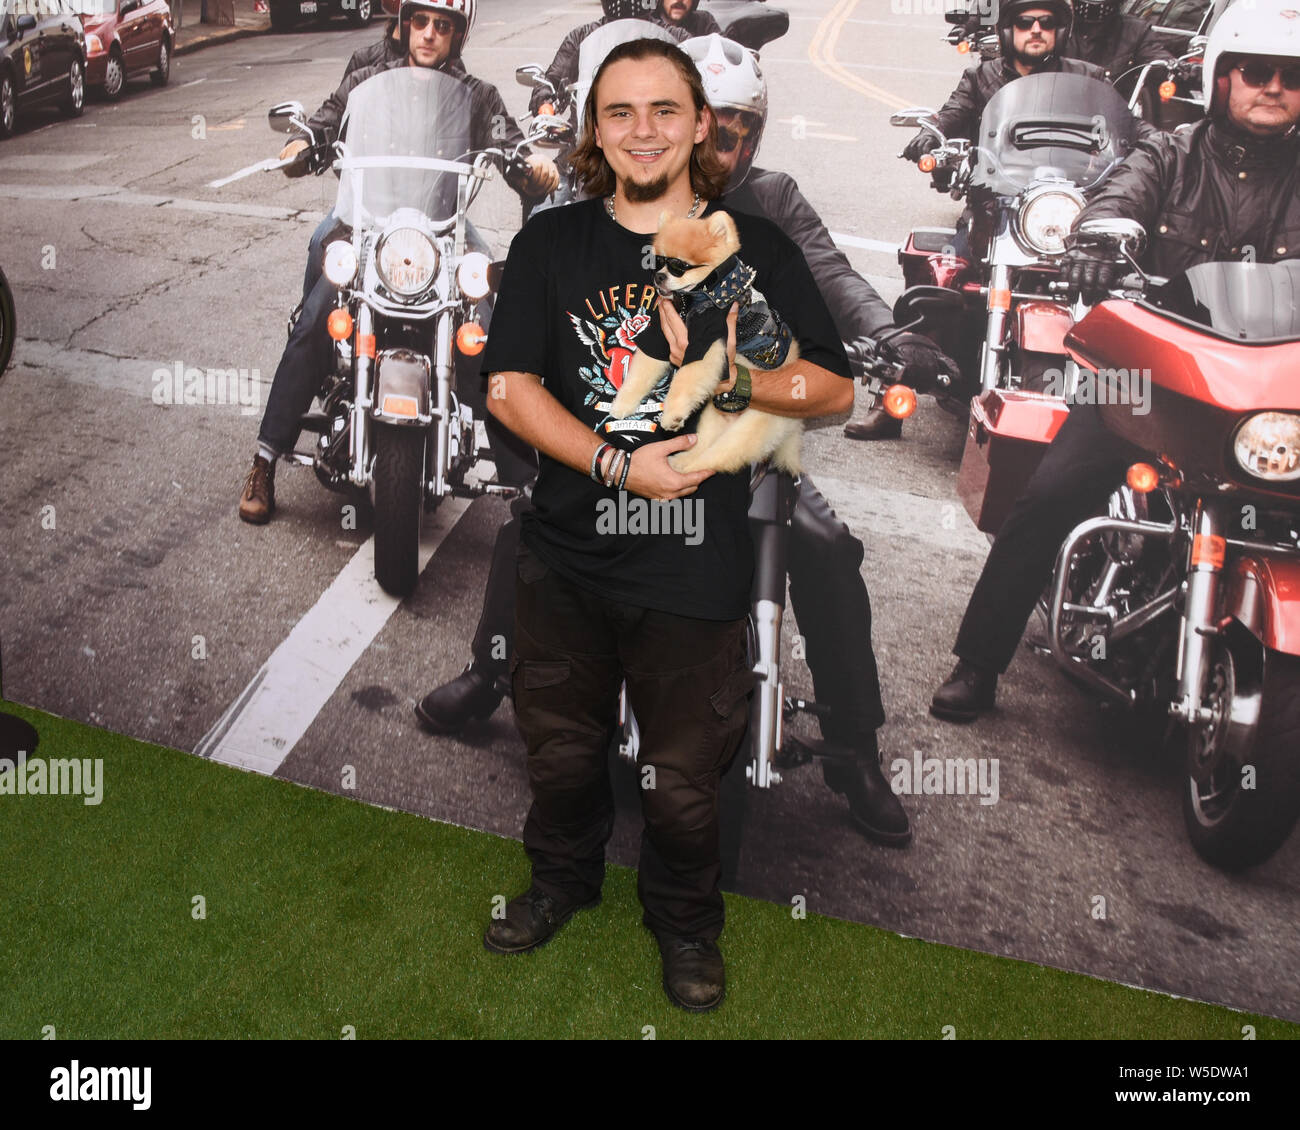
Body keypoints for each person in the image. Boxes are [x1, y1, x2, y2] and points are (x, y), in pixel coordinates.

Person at [418, 33, 939, 851]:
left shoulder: (775, 202)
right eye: (710, 125)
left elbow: (834, 277)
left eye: (739, 130)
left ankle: (853, 748)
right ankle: (491, 672)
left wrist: (891, 331)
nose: (722, 146)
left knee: (826, 546)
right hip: (624, 424)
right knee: (532, 520)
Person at [479, 37, 853, 1012]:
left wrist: (740, 377)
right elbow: (512, 389)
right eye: (619, 112)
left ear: (699, 125)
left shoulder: (752, 247)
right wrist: (614, 459)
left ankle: (685, 926)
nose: (642, 131)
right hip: (562, 560)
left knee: (686, 785)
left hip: (696, 573)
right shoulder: (550, 243)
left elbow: (832, 387)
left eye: (663, 110)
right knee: (559, 753)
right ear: (593, 129)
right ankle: (560, 881)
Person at [929, 0, 1300, 722]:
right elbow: (1113, 195)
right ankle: (978, 663)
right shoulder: (1172, 151)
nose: (1274, 86)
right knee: (1049, 495)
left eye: (1291, 75)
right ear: (1224, 78)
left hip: (1269, 398)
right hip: (1154, 382)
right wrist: (1099, 239)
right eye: (1257, 71)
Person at [237, 0, 558, 524]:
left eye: (443, 25)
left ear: (457, 34)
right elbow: (324, 124)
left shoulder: (478, 95)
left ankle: (525, 485)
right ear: (406, 23)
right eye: (421, 22)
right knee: (317, 317)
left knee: (488, 324)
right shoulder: (368, 78)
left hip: (441, 229)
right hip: (367, 224)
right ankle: (265, 459)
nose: (429, 34)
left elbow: (511, 145)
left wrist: (532, 167)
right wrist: (302, 144)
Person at [903, 0, 1106, 166]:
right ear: (1008, 30)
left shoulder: (1088, 77)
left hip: (1068, 190)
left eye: (1047, 22)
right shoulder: (981, 76)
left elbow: (1125, 131)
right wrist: (930, 131)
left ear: (1059, 32)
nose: (1036, 30)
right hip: (995, 189)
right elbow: (953, 111)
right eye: (1025, 23)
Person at [526, 0, 690, 115]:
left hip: (652, 133)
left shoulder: (674, 37)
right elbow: (553, 77)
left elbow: (708, 69)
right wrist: (545, 100)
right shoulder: (581, 36)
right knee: (558, 164)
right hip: (586, 135)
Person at [1060, 0, 1173, 84]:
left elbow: (1155, 54)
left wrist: (1171, 64)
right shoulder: (1055, 24)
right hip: (1057, 108)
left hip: (1112, 110)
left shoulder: (1135, 31)